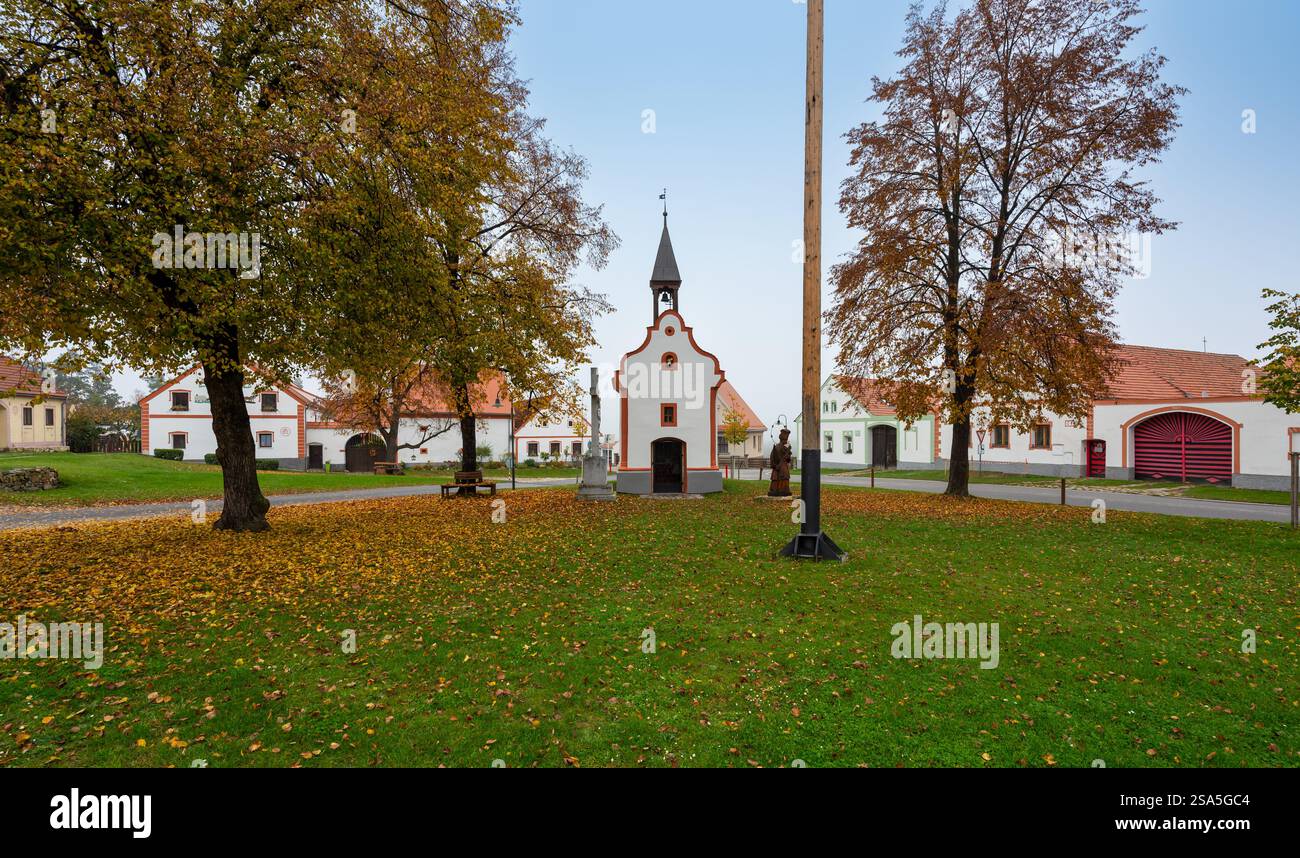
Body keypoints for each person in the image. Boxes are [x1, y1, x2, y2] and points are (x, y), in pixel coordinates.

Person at [768, 427, 793, 497]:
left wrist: (788, 456)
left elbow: (788, 458)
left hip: (783, 466)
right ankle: (775, 490)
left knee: (784, 477)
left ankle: (784, 490)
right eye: (785, 436)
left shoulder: (787, 446)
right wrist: (775, 465)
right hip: (778, 467)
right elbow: (772, 457)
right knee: (776, 478)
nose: (786, 438)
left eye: (787, 436)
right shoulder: (777, 446)